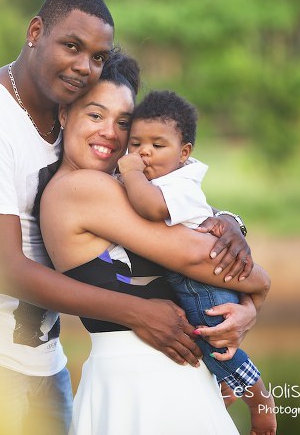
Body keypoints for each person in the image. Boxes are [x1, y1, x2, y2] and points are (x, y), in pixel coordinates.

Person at [0, 0, 256, 435]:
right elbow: (7, 270)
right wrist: (138, 312)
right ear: (35, 32)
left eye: (98, 56)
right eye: (72, 46)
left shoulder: (67, 120)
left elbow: (167, 202)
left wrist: (231, 224)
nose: (85, 66)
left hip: (45, 360)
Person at [38, 52, 272, 434]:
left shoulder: (120, 184)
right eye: (95, 115)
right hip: (143, 380)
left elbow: (198, 218)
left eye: (123, 122)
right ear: (64, 114)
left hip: (165, 374)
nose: (110, 133)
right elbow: (196, 254)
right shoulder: (81, 187)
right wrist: (260, 286)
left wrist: (230, 221)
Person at [117, 90, 277, 435]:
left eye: (158, 145)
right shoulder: (159, 179)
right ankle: (226, 385)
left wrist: (129, 173)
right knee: (208, 344)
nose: (144, 152)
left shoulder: (179, 183)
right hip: (193, 281)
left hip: (202, 284)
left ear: (184, 153)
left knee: (215, 344)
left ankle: (260, 400)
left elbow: (150, 207)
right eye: (136, 144)